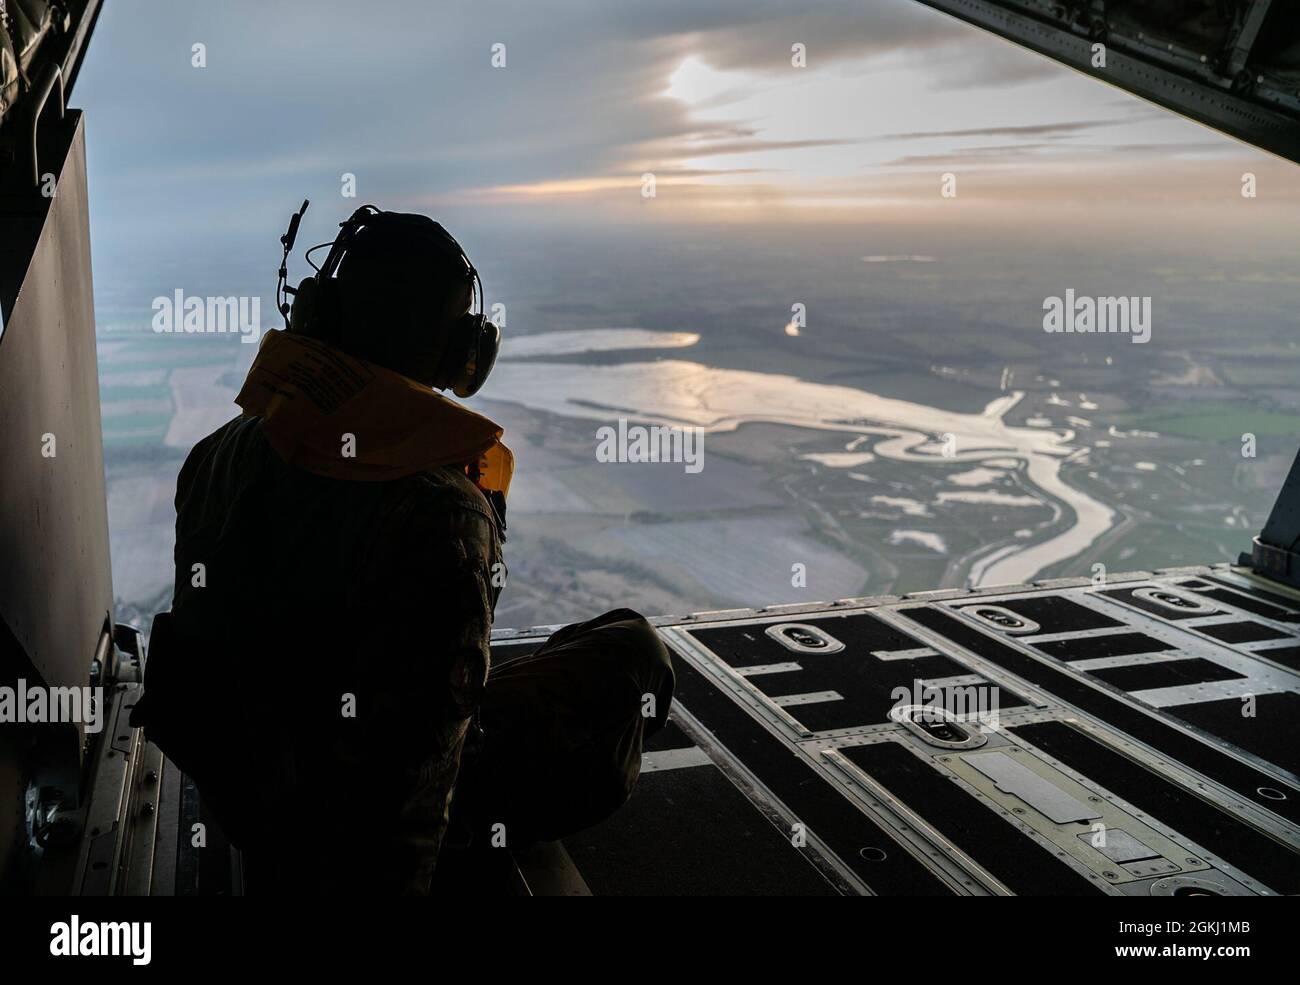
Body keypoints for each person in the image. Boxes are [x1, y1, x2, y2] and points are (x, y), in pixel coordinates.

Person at [130, 205, 674, 895]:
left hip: (245, 794)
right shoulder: (439, 511)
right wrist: (481, 517)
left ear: (319, 313)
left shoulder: (221, 450)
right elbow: (413, 778)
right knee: (633, 652)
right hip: (342, 836)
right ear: (459, 356)